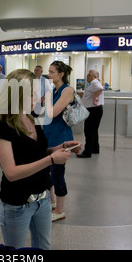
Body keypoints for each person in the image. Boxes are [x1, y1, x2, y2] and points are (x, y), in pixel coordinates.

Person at [0, 69, 81, 250]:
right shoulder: (1, 127)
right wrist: (52, 160)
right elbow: (11, 173)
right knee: (14, 251)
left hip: (43, 198)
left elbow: (39, 152)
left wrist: (61, 148)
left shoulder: (31, 118)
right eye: (32, 94)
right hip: (17, 203)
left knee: (43, 247)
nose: (37, 98)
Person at [43, 61, 75, 222]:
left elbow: (54, 112)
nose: (49, 75)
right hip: (47, 135)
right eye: (48, 72)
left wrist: (45, 101)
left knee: (57, 174)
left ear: (61, 74)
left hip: (60, 137)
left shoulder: (67, 90)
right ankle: (51, 202)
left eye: (52, 72)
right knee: (47, 173)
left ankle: (60, 209)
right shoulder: (53, 90)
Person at [76, 70, 104, 158]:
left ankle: (87, 152)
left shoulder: (95, 82)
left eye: (89, 75)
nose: (87, 77)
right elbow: (88, 94)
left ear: (94, 76)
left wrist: (94, 97)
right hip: (95, 110)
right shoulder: (92, 84)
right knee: (94, 131)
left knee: (89, 131)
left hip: (93, 110)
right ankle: (95, 148)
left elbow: (100, 89)